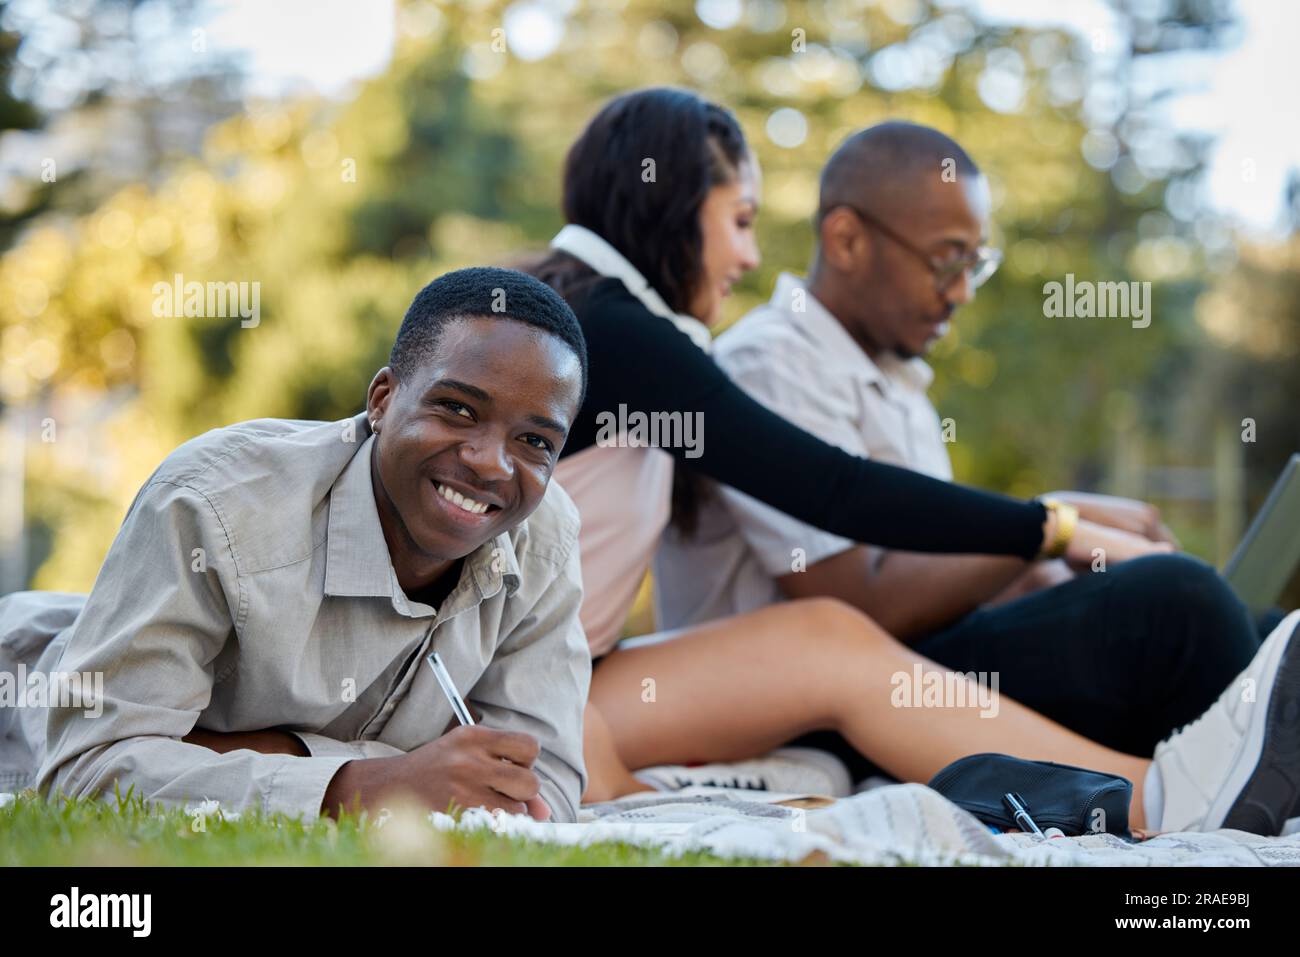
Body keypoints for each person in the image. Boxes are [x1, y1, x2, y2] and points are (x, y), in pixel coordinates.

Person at [519, 87, 1300, 837]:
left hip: (577, 670)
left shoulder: (613, 329)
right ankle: (1159, 794)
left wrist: (1050, 547)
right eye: (742, 220)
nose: (752, 255)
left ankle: (1174, 784)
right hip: (526, 685)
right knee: (1171, 603)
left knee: (1225, 621)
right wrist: (1052, 525)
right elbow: (834, 490)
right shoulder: (617, 332)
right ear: (671, 205)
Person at [654, 121, 1264, 773]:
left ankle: (1226, 784)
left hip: (911, 664)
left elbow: (943, 583)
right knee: (1180, 607)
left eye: (976, 262)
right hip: (812, 704)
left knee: (1261, 623)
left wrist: (1054, 576)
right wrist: (1049, 525)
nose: (964, 290)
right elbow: (857, 601)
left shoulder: (897, 377)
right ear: (847, 238)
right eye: (947, 259)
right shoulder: (773, 361)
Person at [0, 267, 592, 823]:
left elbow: (542, 791)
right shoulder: (214, 502)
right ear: (382, 400)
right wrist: (363, 785)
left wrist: (280, 751)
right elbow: (86, 769)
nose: (490, 463)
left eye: (535, 441)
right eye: (457, 409)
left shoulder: (542, 535)